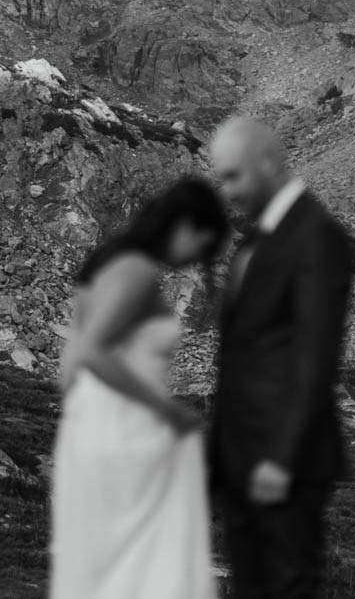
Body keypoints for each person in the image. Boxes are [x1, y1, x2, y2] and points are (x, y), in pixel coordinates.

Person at [49, 177, 229, 599]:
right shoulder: (134, 269)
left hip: (101, 423)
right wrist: (164, 410)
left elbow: (73, 362)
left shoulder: (111, 262)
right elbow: (88, 354)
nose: (195, 260)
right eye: (202, 245)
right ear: (185, 226)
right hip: (122, 429)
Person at [209, 117, 354, 599]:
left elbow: (316, 354)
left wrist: (280, 459)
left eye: (234, 176)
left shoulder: (316, 235)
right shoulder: (258, 238)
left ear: (268, 163)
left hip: (282, 462)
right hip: (242, 460)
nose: (227, 192)